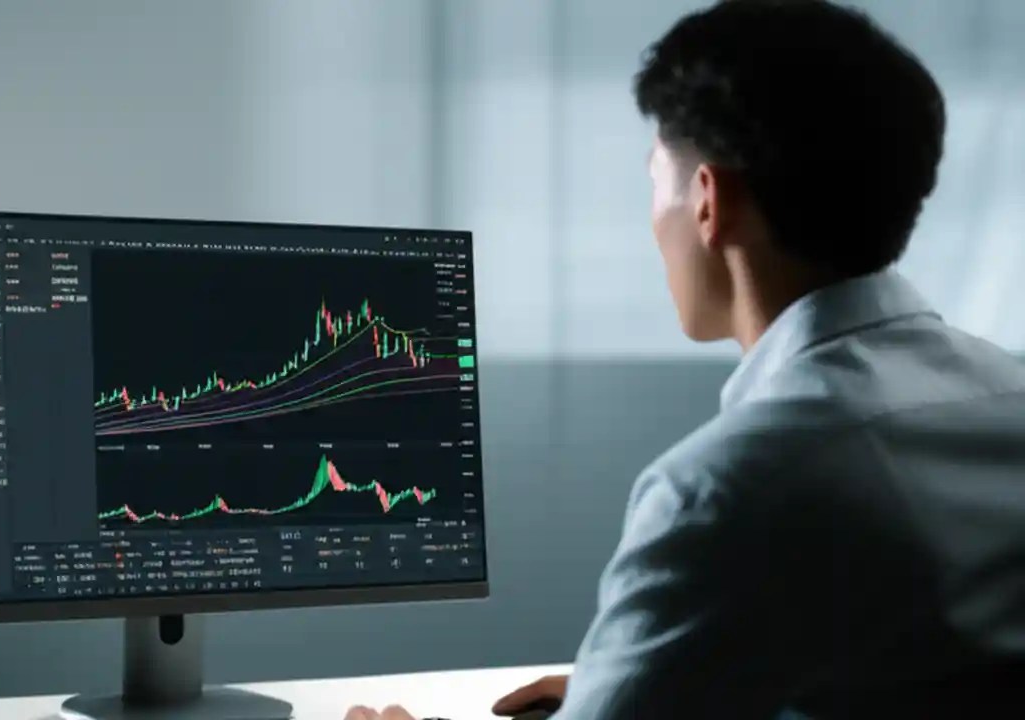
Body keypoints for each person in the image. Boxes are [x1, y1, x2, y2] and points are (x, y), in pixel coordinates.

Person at [345, 0, 1025, 718]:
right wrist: (647, 684)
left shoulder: (726, 488)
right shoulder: (1010, 398)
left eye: (654, 178)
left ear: (708, 201)